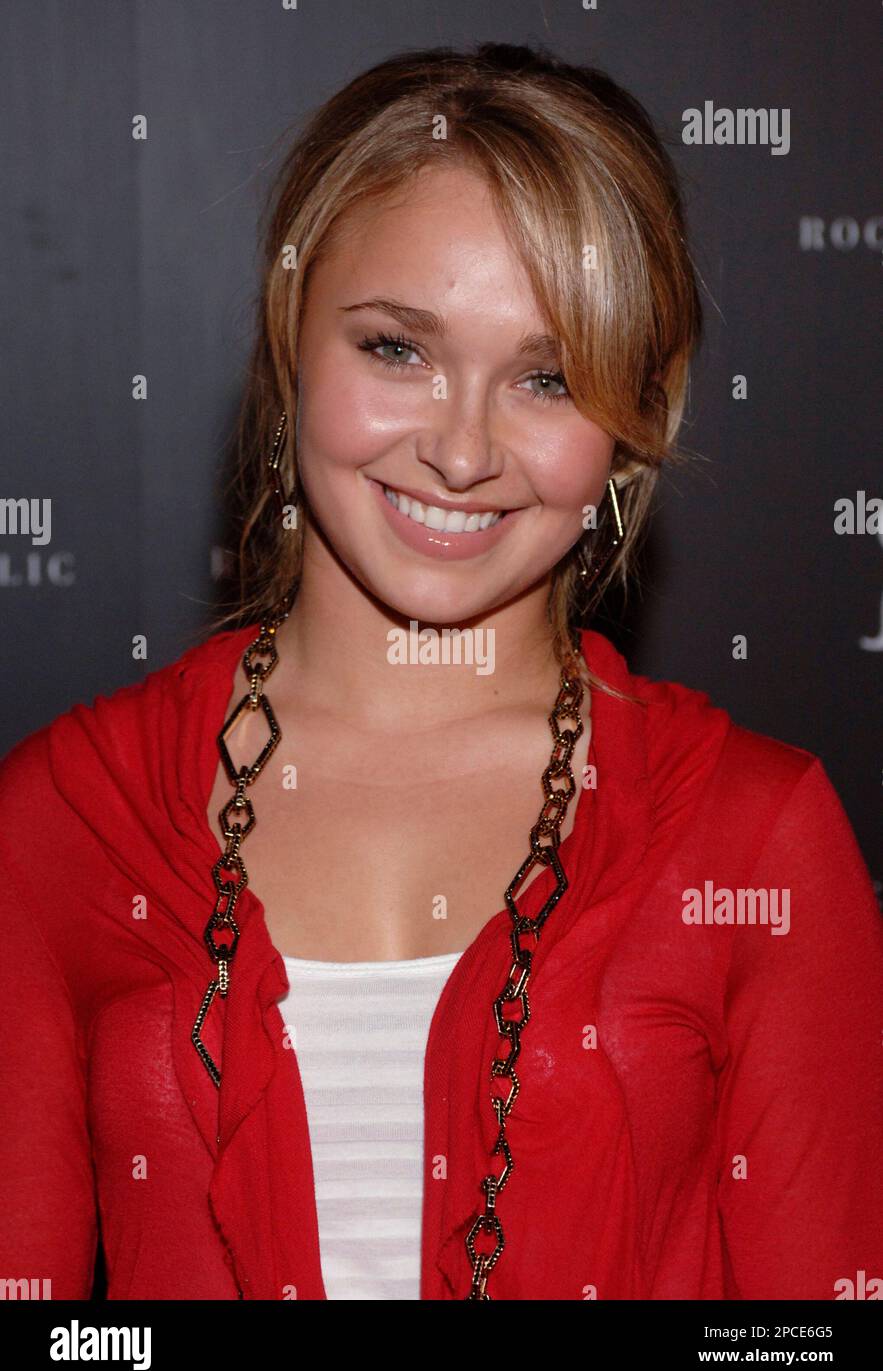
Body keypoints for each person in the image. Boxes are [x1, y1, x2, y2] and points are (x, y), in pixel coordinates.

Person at [1, 42, 881, 1303]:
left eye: (548, 376)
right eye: (396, 349)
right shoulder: (62, 815)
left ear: (636, 416)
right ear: (290, 340)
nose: (461, 450)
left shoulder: (755, 837)